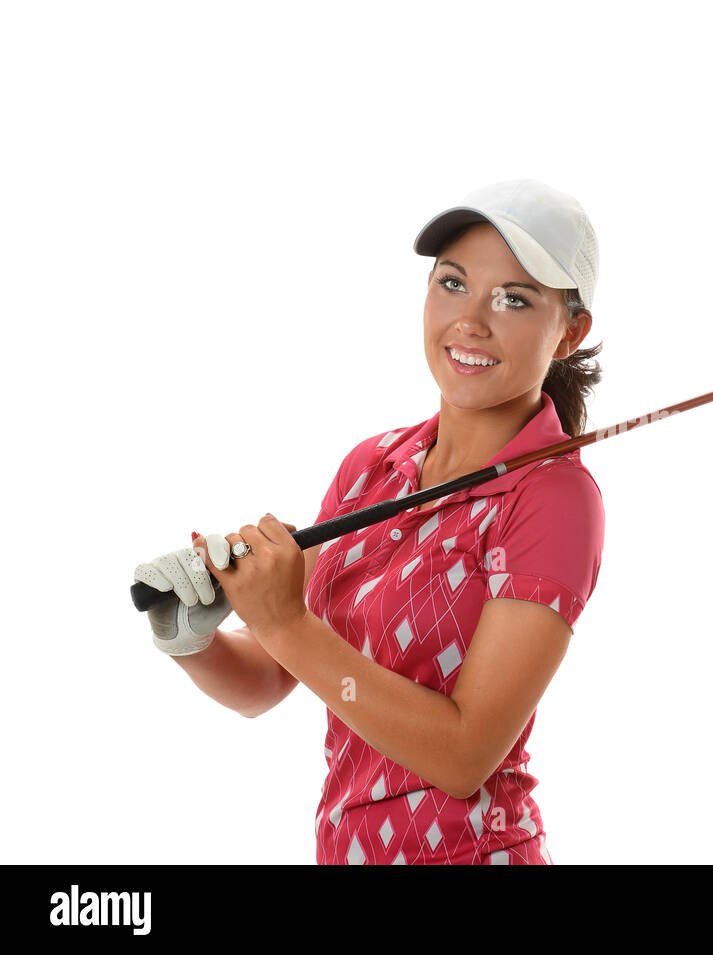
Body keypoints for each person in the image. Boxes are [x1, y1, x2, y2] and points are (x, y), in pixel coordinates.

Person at [134, 179, 606, 864]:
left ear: (571, 331)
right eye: (453, 283)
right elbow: (270, 677)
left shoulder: (555, 499)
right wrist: (196, 643)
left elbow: (464, 752)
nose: (472, 320)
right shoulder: (371, 467)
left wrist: (286, 622)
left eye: (514, 298)